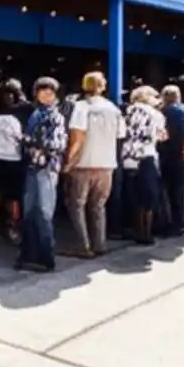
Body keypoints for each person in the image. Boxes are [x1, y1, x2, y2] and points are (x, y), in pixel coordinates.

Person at [64, 72, 124, 258]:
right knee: (98, 206)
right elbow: (120, 135)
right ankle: (100, 243)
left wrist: (68, 162)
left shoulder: (81, 107)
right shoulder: (113, 109)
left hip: (83, 164)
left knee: (76, 205)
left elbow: (77, 137)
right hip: (107, 164)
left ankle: (82, 245)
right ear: (103, 86)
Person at [16, 77, 66, 272]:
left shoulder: (55, 116)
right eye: (42, 91)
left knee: (44, 213)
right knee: (29, 212)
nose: (46, 95)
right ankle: (29, 254)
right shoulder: (36, 114)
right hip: (32, 166)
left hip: (46, 169)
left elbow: (58, 145)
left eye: (50, 92)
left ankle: (46, 257)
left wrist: (29, 141)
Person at [121, 87, 165, 245]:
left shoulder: (126, 112)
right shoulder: (156, 114)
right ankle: (147, 233)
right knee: (149, 197)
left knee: (134, 196)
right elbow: (161, 136)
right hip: (147, 156)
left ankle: (137, 230)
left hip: (128, 158)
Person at [0, 87, 26, 243]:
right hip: (14, 161)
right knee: (13, 197)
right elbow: (20, 139)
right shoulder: (15, 120)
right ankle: (13, 228)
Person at [158, 85, 184, 236]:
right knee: (180, 191)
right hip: (182, 154)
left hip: (165, 154)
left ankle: (167, 223)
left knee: (166, 191)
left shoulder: (161, 112)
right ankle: (180, 223)